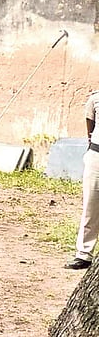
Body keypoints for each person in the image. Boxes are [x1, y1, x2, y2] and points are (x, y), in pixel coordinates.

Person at [68, 90, 99, 270]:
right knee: (91, 205)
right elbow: (90, 126)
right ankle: (84, 254)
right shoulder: (95, 98)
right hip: (96, 154)